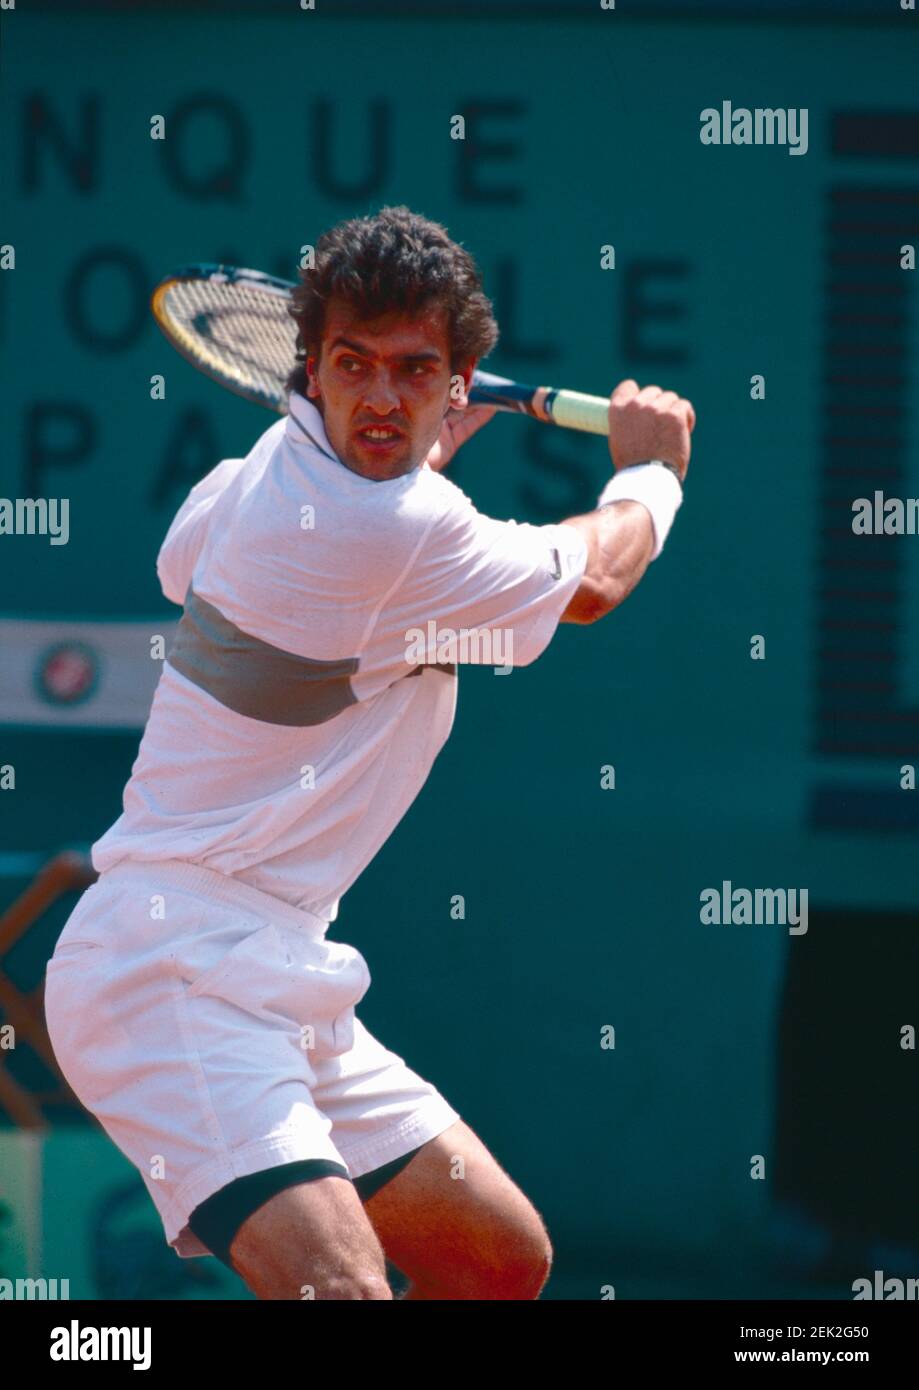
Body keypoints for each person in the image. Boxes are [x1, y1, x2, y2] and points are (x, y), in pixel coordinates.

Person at [44, 204, 695, 1300]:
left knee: (495, 1261)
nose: (381, 396)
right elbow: (592, 581)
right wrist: (650, 474)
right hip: (167, 971)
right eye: (352, 364)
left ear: (459, 377)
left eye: (414, 370)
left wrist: (408, 468)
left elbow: (195, 560)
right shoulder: (389, 534)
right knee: (339, 1292)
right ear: (308, 367)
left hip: (281, 965)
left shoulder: (256, 478)